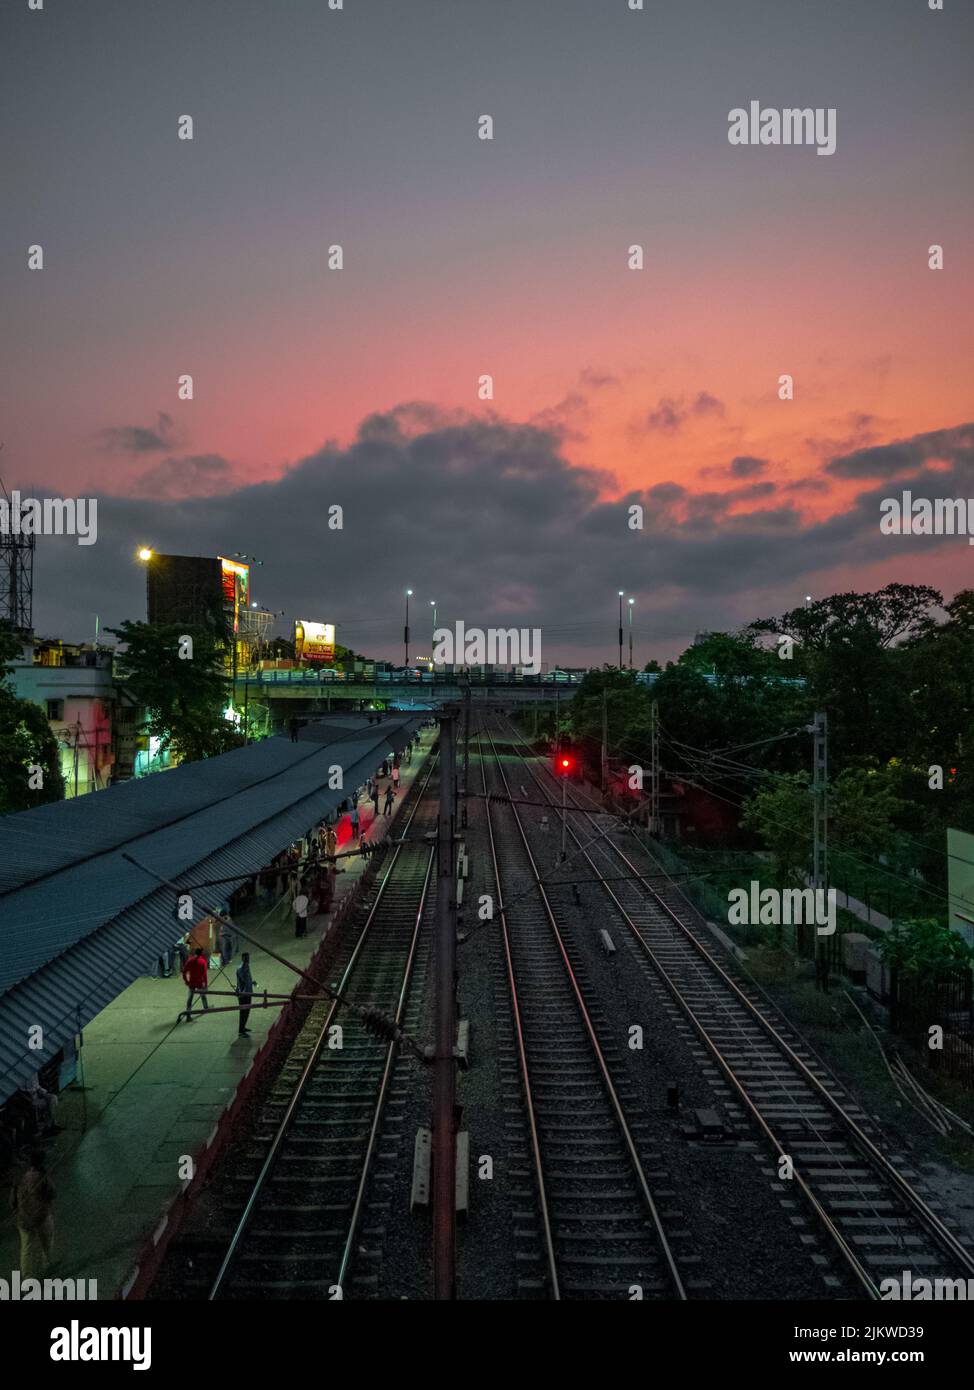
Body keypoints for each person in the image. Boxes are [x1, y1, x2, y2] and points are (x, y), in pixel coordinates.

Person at [11, 1150, 55, 1279]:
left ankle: (27, 1277)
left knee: (26, 1249)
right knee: (47, 1241)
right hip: (41, 1216)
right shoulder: (42, 1176)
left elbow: (12, 1201)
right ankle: (47, 1263)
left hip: (23, 1220)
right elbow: (52, 1193)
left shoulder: (20, 1177)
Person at [181, 947, 209, 1021]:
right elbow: (205, 975)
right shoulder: (203, 962)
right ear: (201, 954)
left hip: (192, 982)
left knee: (190, 999)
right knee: (203, 995)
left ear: (195, 953)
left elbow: (184, 971)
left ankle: (188, 1015)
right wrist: (206, 984)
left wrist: (186, 981)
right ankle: (206, 1008)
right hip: (200, 982)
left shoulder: (190, 961)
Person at [235, 953, 257, 1036]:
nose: (248, 960)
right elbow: (243, 980)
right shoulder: (241, 969)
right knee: (243, 1012)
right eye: (246, 958)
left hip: (248, 992)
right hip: (243, 994)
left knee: (247, 1011)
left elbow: (247, 979)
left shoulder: (247, 966)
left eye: (248, 958)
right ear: (243, 959)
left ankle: (243, 1027)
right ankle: (241, 1031)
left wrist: (252, 982)